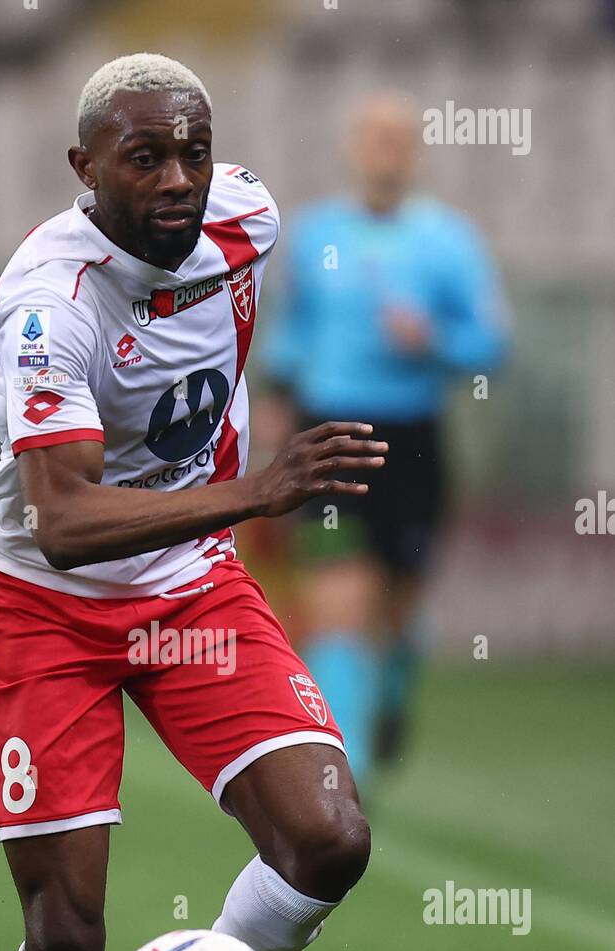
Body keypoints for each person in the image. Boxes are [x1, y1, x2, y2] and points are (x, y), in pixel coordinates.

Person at [0, 53, 387, 951]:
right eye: (143, 157)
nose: (175, 179)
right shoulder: (46, 299)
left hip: (189, 590)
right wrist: (254, 492)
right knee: (67, 930)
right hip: (47, 607)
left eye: (191, 152)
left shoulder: (244, 219)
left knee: (329, 838)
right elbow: (62, 524)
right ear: (82, 169)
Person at [258, 94, 509, 783]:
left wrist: (435, 340)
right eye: (372, 136)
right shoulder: (316, 235)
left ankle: (393, 688)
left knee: (398, 605)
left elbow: (493, 343)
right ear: (353, 147)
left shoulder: (449, 240)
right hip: (330, 433)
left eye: (397, 138)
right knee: (338, 598)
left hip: (414, 437)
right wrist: (277, 407)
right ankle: (348, 765)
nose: (383, 149)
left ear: (414, 151)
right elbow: (293, 329)